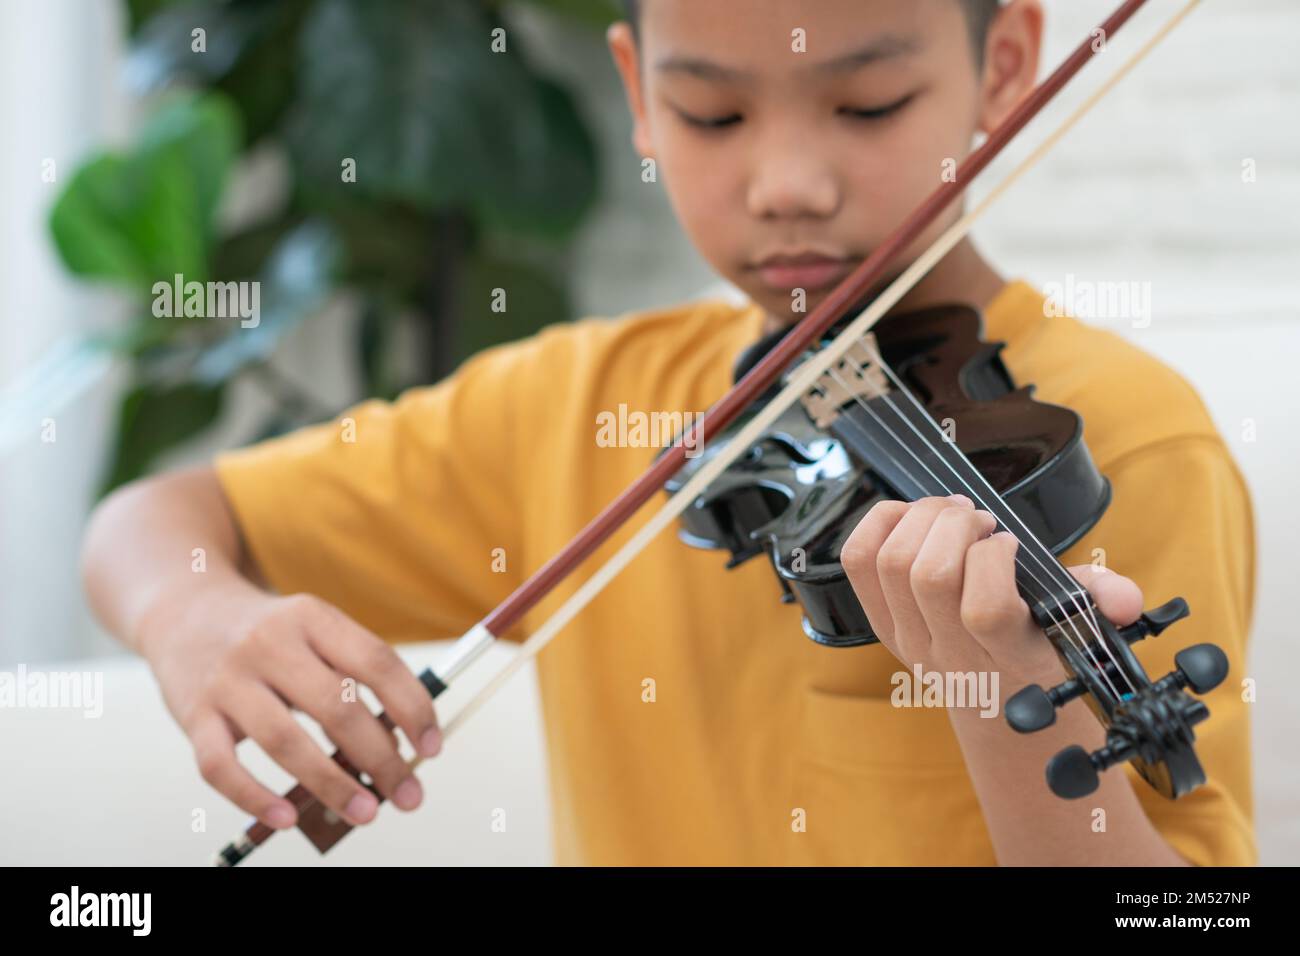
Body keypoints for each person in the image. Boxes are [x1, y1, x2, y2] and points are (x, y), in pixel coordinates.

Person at [81, 0, 1255, 865]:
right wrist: (193, 614)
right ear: (639, 95)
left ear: (1002, 72)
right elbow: (149, 521)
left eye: (867, 103)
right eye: (712, 112)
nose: (786, 181)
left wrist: (1001, 701)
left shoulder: (1119, 444)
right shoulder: (574, 402)